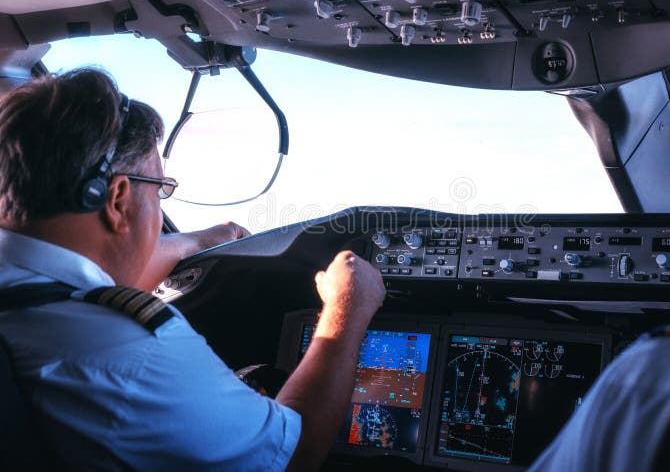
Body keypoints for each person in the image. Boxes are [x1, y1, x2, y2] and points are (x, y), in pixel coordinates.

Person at [0, 67, 386, 470]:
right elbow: (293, 454)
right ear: (116, 200)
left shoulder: (26, 293)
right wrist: (347, 307)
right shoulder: (123, 351)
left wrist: (193, 240)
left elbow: (83, 279)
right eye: (160, 190)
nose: (160, 206)